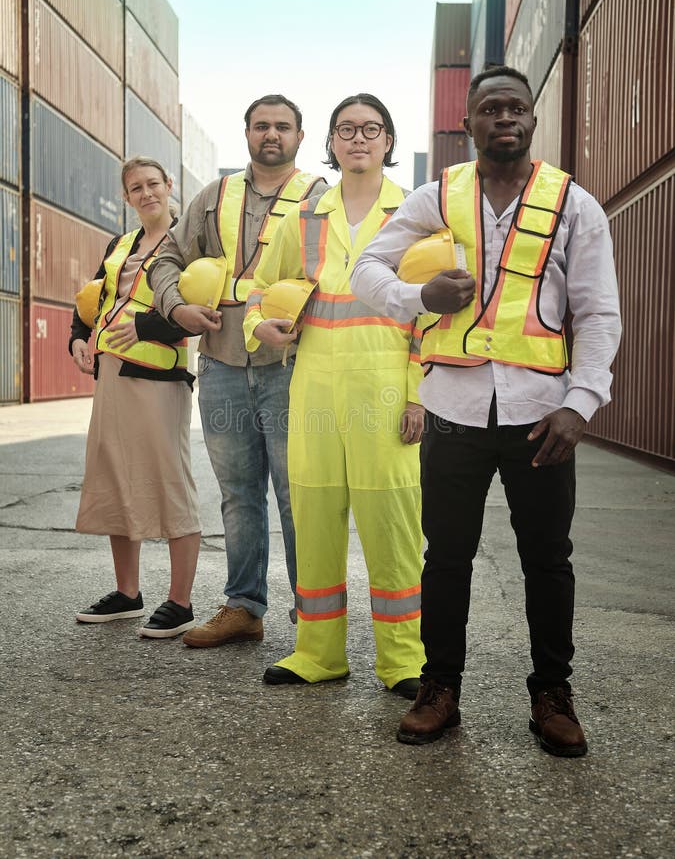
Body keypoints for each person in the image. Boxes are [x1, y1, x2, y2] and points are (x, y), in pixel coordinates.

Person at [350, 67, 622, 754]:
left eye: (516, 108)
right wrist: (418, 300)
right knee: (445, 558)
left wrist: (581, 401)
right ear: (467, 125)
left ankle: (551, 694)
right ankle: (440, 689)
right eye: (489, 109)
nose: (504, 118)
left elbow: (597, 311)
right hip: (454, 410)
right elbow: (366, 270)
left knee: (546, 560)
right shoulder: (437, 196)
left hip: (542, 415)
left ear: (532, 121)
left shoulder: (573, 204)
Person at [244, 94, 426, 700]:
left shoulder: (418, 214)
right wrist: (259, 328)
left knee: (392, 528)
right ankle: (318, 653)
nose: (358, 139)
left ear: (389, 142)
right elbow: (260, 291)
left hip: (385, 391)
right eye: (346, 129)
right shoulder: (305, 217)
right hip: (315, 388)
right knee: (315, 521)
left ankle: (402, 660)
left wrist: (419, 395)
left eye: (371, 129)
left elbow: (435, 318)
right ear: (330, 142)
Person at [148, 95, 328, 648]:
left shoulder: (322, 198)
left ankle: (313, 618)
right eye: (260, 126)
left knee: (299, 492)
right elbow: (165, 259)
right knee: (237, 493)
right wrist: (175, 307)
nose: (270, 134)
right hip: (223, 361)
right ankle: (244, 606)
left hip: (292, 366)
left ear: (300, 135)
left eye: (282, 126)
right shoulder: (214, 196)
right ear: (246, 133)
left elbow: (344, 271)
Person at [70, 156, 201, 639]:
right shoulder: (119, 244)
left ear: (170, 186)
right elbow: (92, 301)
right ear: (126, 197)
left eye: (153, 184)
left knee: (168, 481)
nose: (146, 193)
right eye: (135, 188)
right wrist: (77, 338)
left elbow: (201, 311)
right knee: (114, 480)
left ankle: (180, 602)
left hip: (158, 379)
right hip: (110, 377)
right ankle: (128, 594)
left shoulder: (189, 243)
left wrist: (144, 325)